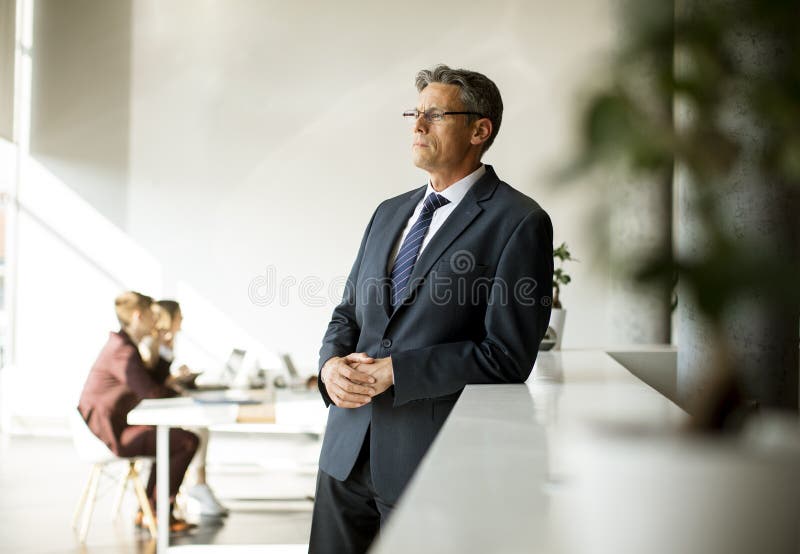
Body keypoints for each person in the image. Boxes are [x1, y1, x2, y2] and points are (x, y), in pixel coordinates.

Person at [309, 65, 554, 553]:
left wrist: (397, 371)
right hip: (345, 452)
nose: (417, 127)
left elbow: (506, 356)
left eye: (436, 115)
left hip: (429, 462)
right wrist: (330, 366)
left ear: (480, 130)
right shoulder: (388, 211)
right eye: (415, 114)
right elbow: (348, 314)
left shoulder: (520, 221)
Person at [77, 291, 199, 533]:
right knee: (185, 441)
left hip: (114, 427)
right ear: (137, 316)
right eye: (152, 316)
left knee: (171, 438)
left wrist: (164, 352)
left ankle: (151, 511)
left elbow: (151, 382)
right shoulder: (122, 351)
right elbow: (151, 391)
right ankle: (156, 513)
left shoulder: (124, 346)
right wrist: (176, 390)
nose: (156, 323)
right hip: (109, 434)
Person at [154, 299, 229, 517]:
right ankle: (199, 486)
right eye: (180, 316)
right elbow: (154, 382)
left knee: (201, 428)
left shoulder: (168, 342)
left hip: (166, 402)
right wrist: (175, 379)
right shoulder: (156, 342)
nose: (183, 320)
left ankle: (200, 485)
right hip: (156, 411)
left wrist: (178, 378)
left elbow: (161, 378)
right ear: (170, 317)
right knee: (196, 430)